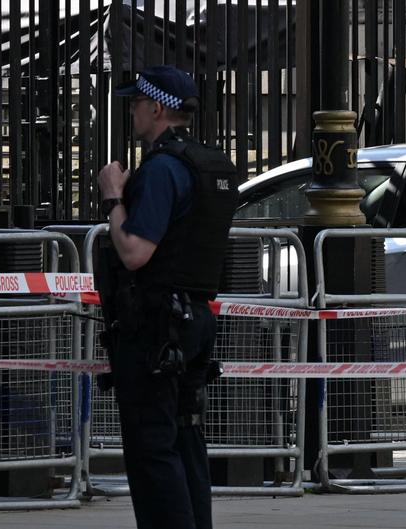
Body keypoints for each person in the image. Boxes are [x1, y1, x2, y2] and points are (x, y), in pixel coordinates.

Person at [96, 65, 239, 529]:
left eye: (137, 103)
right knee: (185, 436)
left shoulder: (162, 170)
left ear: (157, 108)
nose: (132, 110)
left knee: (151, 447)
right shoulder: (207, 165)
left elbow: (135, 252)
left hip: (156, 324)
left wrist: (113, 198)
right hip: (195, 317)